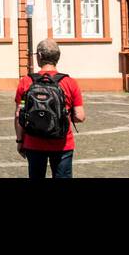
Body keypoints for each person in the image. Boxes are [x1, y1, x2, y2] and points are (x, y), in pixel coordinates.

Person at [14, 39, 85, 179]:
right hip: (62, 144)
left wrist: (20, 141)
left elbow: (18, 114)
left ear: (39, 56)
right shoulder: (69, 83)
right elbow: (80, 116)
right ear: (57, 57)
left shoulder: (26, 82)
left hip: (33, 142)